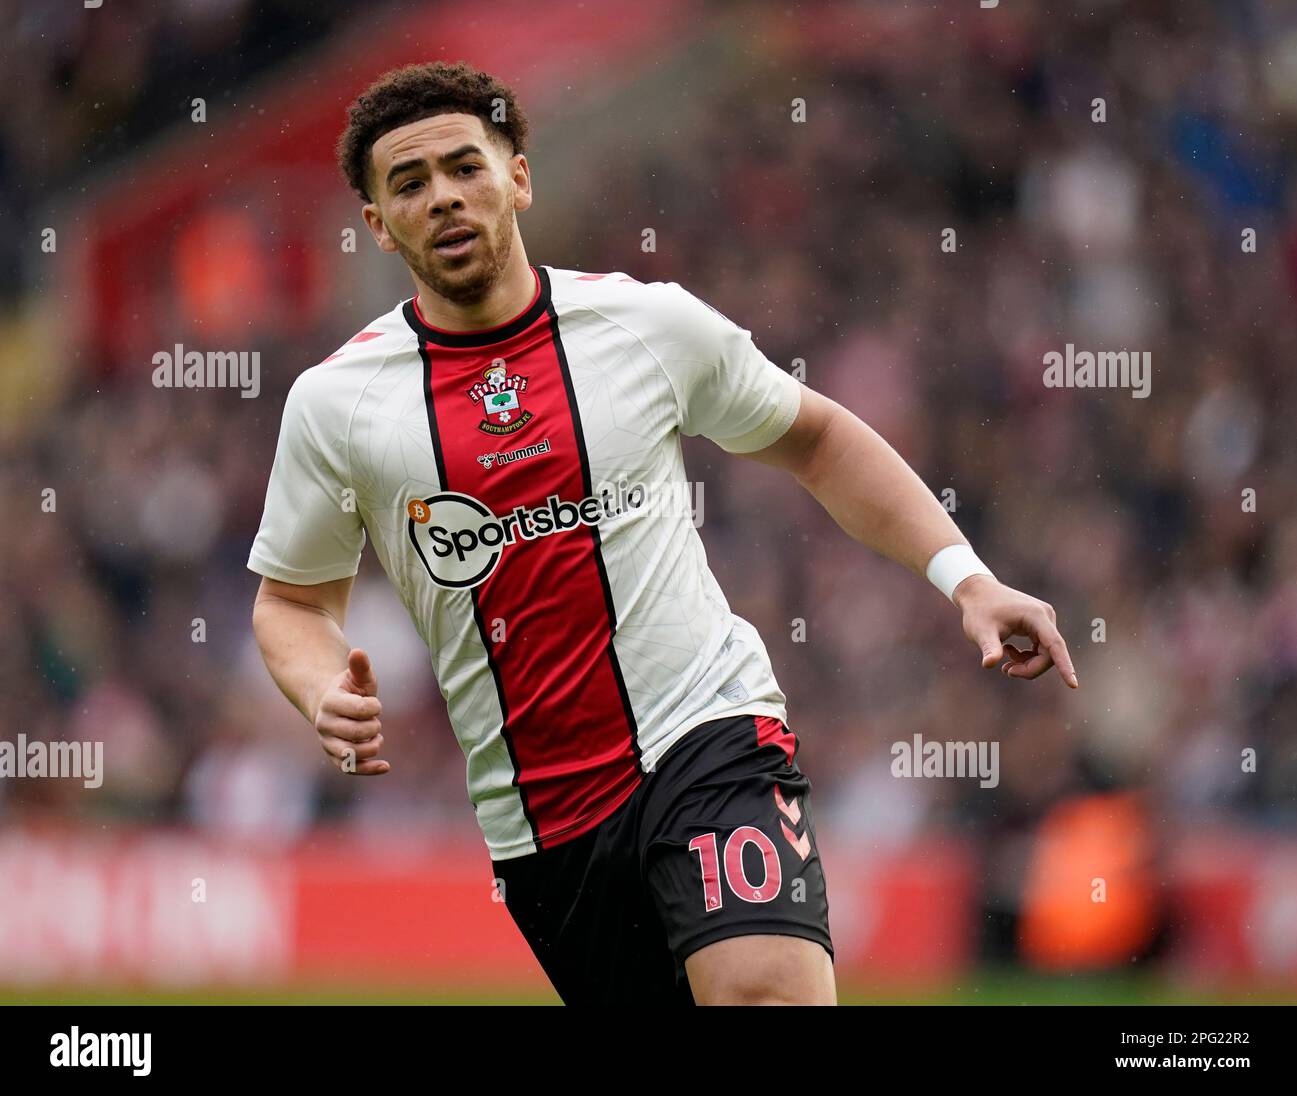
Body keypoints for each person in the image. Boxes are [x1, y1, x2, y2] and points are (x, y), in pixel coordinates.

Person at [248, 60, 1078, 1006]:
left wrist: (967, 578)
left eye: (464, 166)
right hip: (541, 821)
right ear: (377, 224)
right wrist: (321, 689)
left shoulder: (646, 325)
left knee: (764, 995)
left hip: (706, 734)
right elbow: (291, 600)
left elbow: (814, 437)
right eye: (409, 183)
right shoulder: (336, 405)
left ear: (517, 176)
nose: (442, 196)